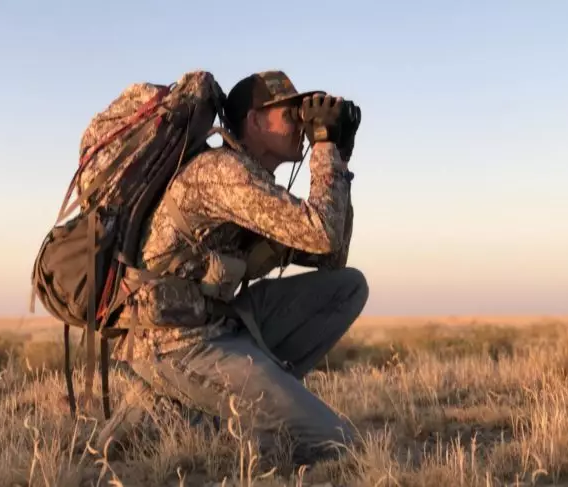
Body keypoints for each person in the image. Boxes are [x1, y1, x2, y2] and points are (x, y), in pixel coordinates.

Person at [99, 70, 369, 465]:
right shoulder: (221, 173)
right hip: (174, 343)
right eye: (292, 115)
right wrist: (325, 151)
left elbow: (329, 258)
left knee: (347, 287)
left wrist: (339, 160)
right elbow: (322, 234)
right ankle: (175, 406)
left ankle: (199, 409)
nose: (305, 126)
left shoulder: (257, 185)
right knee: (340, 443)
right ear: (255, 121)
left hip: (221, 326)